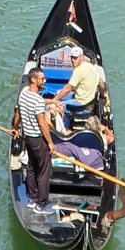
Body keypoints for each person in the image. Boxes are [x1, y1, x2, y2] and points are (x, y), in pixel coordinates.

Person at [15, 67, 54, 213]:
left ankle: (31, 197)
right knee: (44, 171)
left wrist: (15, 128)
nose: (45, 81)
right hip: (38, 140)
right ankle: (41, 204)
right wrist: (50, 142)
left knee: (31, 167)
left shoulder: (23, 93)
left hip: (28, 139)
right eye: (42, 79)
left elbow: (18, 114)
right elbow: (43, 124)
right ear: (33, 80)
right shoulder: (38, 100)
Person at [54, 47, 104, 118]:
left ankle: (66, 125)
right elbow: (101, 82)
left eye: (75, 58)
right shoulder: (91, 66)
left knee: (57, 106)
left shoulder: (78, 70)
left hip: (83, 106)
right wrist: (103, 94)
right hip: (89, 102)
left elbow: (68, 88)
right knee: (58, 93)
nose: (73, 60)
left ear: (81, 57)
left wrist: (54, 100)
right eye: (72, 57)